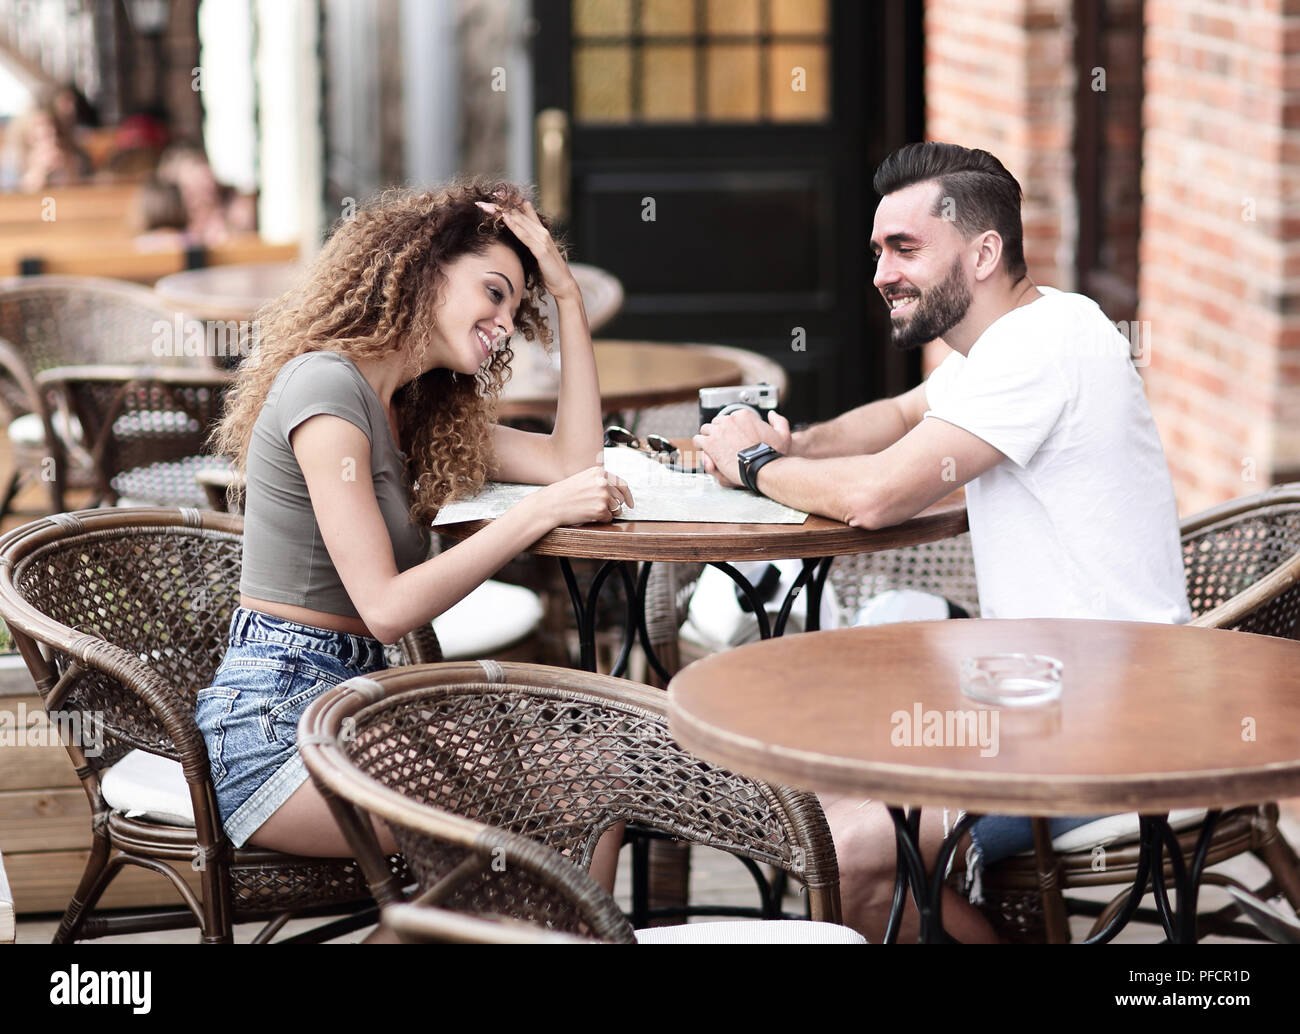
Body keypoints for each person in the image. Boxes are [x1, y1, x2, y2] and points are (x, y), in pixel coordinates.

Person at [692, 141, 1191, 942]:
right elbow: (895, 418)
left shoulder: (1043, 345)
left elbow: (878, 496)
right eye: (878, 250)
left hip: (1105, 726)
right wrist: (796, 444)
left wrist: (750, 464)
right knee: (824, 790)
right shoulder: (1007, 343)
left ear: (985, 251)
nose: (883, 270)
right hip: (1039, 700)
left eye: (905, 247)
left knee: (848, 845)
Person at [201, 181, 633, 877]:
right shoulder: (326, 391)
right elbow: (385, 608)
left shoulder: (418, 413)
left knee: (587, 788)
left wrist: (568, 296)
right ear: (425, 267)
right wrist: (539, 515)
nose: (502, 322)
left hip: (354, 708)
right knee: (573, 800)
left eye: (516, 309)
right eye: (493, 292)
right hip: (275, 734)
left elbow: (571, 461)